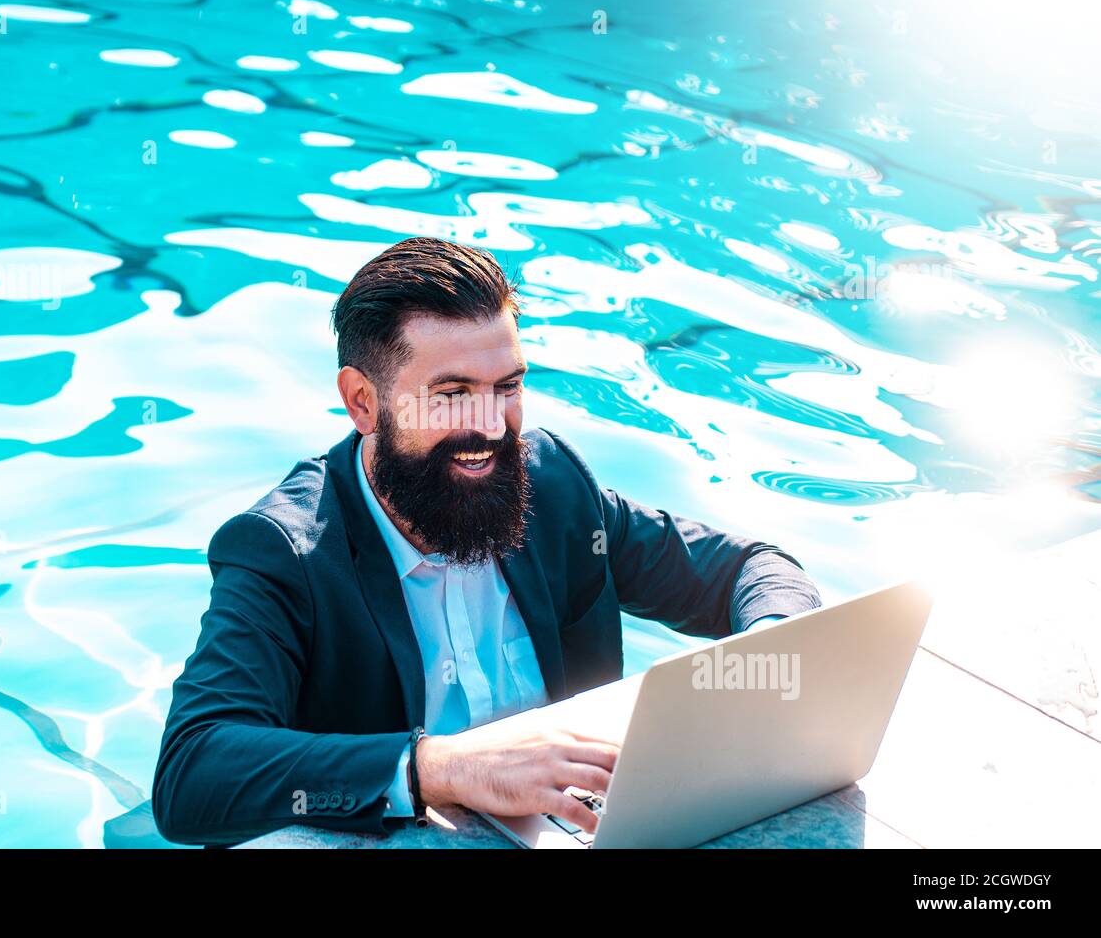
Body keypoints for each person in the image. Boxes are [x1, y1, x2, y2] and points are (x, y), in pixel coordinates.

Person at [151, 237, 821, 846]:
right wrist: (437, 766)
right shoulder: (287, 552)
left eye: (507, 387)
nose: (491, 427)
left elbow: (749, 569)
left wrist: (764, 662)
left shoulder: (552, 488)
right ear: (362, 402)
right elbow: (193, 771)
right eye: (451, 394)